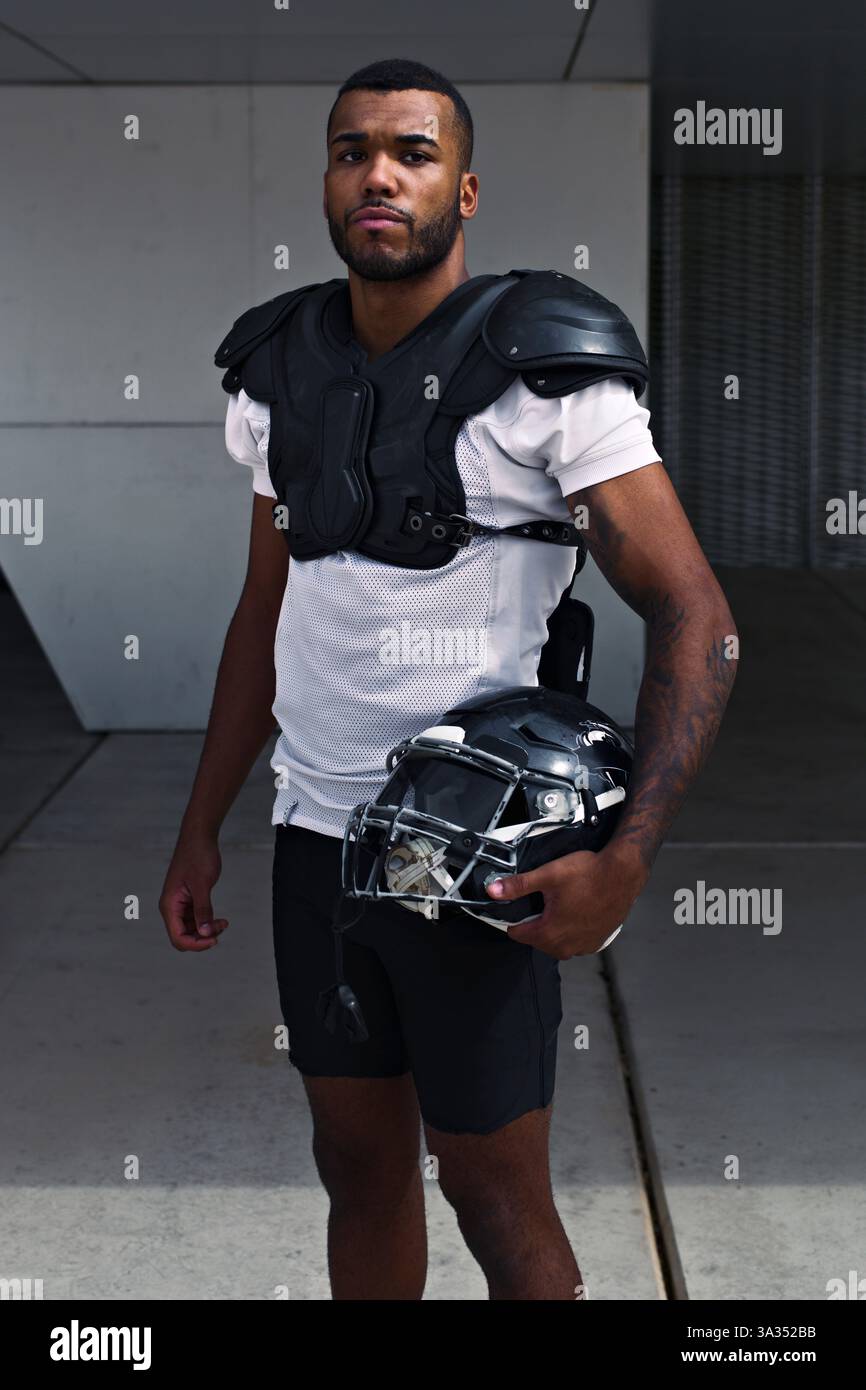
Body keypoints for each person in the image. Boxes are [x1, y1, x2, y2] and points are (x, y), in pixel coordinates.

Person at [159, 58, 738, 1300]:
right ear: (326, 180)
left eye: (410, 153)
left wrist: (626, 857)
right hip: (317, 842)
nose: (378, 173)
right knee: (355, 1166)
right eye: (351, 149)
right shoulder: (277, 375)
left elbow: (698, 618)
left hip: (473, 857)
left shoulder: (549, 376)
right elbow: (264, 612)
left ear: (462, 190)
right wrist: (201, 823)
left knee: (490, 1192)